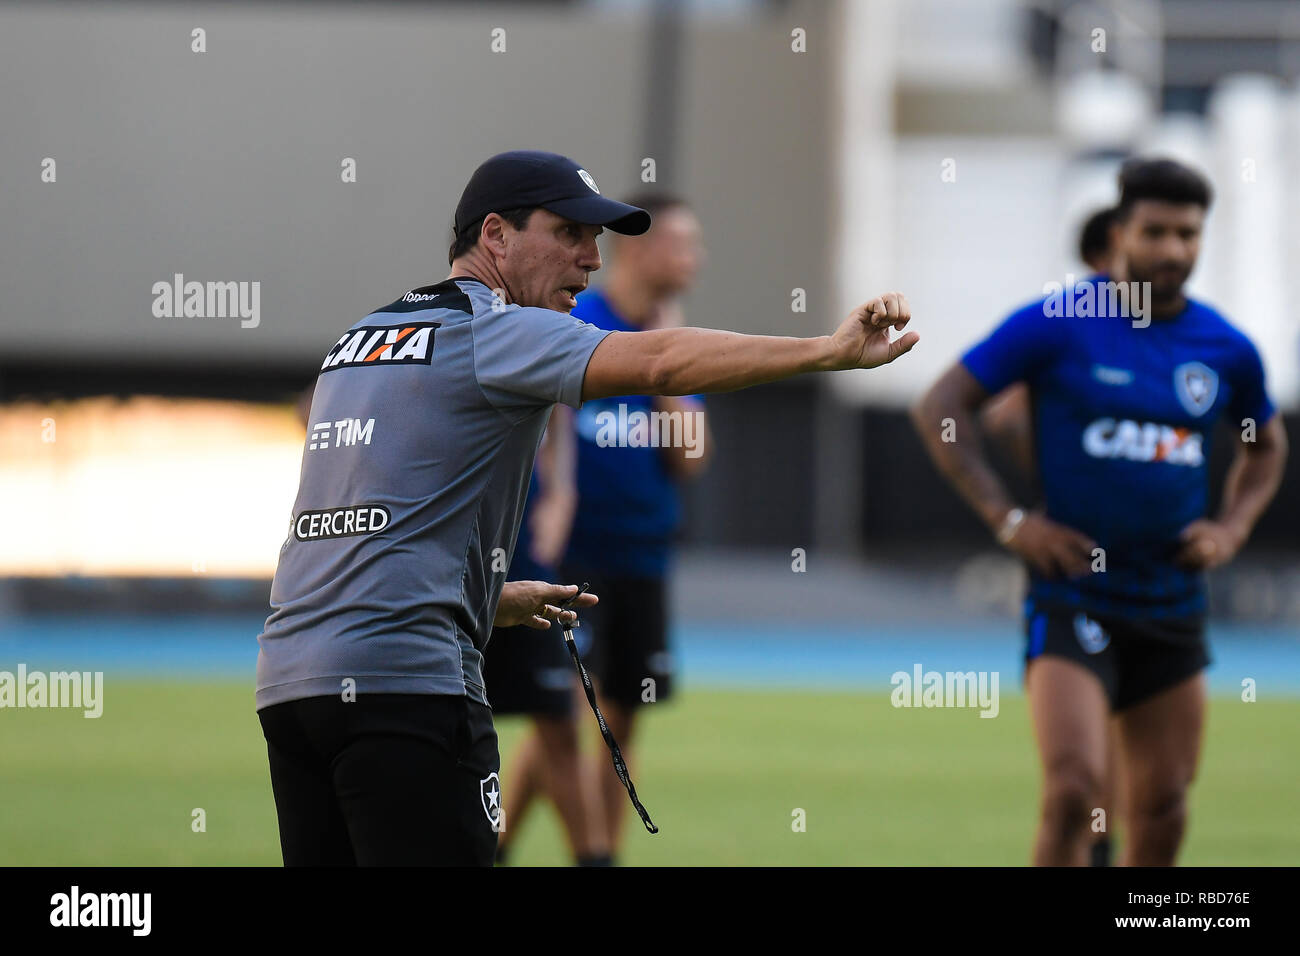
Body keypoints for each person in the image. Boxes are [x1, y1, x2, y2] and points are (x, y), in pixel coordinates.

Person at [255, 149, 919, 866]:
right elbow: (661, 361)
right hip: (406, 686)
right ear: (496, 235)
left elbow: (355, 526)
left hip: (294, 687)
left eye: (596, 239)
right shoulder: (495, 330)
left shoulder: (357, 342)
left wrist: (487, 595)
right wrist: (826, 350)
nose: (592, 259)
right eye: (569, 233)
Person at [912, 157, 1286, 866]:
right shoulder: (1059, 322)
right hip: (1073, 594)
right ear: (1120, 233)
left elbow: (1264, 446)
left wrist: (1231, 528)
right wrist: (1010, 521)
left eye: (1188, 234)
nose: (1174, 250)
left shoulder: (1226, 349)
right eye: (1156, 232)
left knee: (1166, 802)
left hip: (1171, 601)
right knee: (1075, 791)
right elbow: (942, 406)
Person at [499, 194, 711, 863]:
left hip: (641, 558)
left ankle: (506, 843)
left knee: (614, 721)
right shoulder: (575, 322)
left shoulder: (670, 342)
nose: (694, 260)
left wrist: (664, 355)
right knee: (559, 717)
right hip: (568, 559)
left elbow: (692, 457)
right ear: (638, 249)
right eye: (682, 245)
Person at [977, 205, 1125, 866]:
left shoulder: (1156, 334)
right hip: (1080, 570)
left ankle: (1103, 849)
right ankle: (1096, 846)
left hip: (1148, 570)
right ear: (1107, 254)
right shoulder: (1071, 326)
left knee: (1140, 771)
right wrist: (1048, 496)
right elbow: (1001, 412)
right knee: (1087, 758)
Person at [482, 407, 611, 866]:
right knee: (447, 731)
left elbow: (556, 408)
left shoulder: (527, 344)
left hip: (526, 569)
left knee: (560, 724)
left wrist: (561, 494)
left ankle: (593, 858)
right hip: (454, 571)